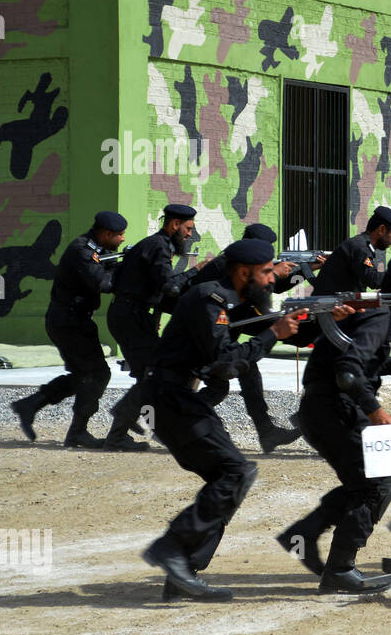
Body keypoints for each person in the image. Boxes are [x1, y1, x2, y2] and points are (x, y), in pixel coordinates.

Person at [140, 239, 305, 601]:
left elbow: (266, 329)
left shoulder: (230, 302)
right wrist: (272, 333)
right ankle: (173, 550)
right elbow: (225, 361)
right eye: (265, 273)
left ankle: (182, 570)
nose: (270, 280)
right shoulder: (208, 300)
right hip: (171, 399)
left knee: (229, 477)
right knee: (235, 472)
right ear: (243, 273)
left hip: (178, 398)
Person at [275, 252, 391, 594]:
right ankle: (340, 570)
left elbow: (359, 360)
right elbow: (349, 372)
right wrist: (375, 411)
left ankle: (303, 535)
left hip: (324, 407)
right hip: (333, 408)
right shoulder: (380, 316)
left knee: (361, 482)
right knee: (375, 484)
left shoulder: (378, 311)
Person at [181, 223, 313, 453]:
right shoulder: (225, 266)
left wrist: (306, 270)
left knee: (246, 367)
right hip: (203, 336)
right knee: (218, 386)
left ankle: (266, 432)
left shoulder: (238, 264)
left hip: (220, 333)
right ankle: (178, 420)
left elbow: (273, 287)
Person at [10, 210, 127, 448]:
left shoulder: (100, 250)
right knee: (97, 374)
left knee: (84, 375)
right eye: (119, 235)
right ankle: (77, 432)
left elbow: (109, 270)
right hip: (68, 321)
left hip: (75, 320)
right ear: (106, 234)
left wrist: (123, 262)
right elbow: (104, 283)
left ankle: (31, 404)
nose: (122, 239)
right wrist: (128, 267)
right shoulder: (82, 251)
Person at [104, 203, 207, 451]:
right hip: (130, 317)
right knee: (152, 375)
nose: (190, 234)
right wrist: (196, 270)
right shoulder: (159, 247)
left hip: (134, 315)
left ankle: (132, 420)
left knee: (152, 374)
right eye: (188, 229)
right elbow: (168, 286)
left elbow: (151, 288)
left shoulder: (157, 245)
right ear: (174, 225)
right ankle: (118, 434)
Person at [311, 206, 391, 295]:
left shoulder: (361, 245)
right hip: (331, 307)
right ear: (381, 229)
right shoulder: (360, 248)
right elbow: (373, 280)